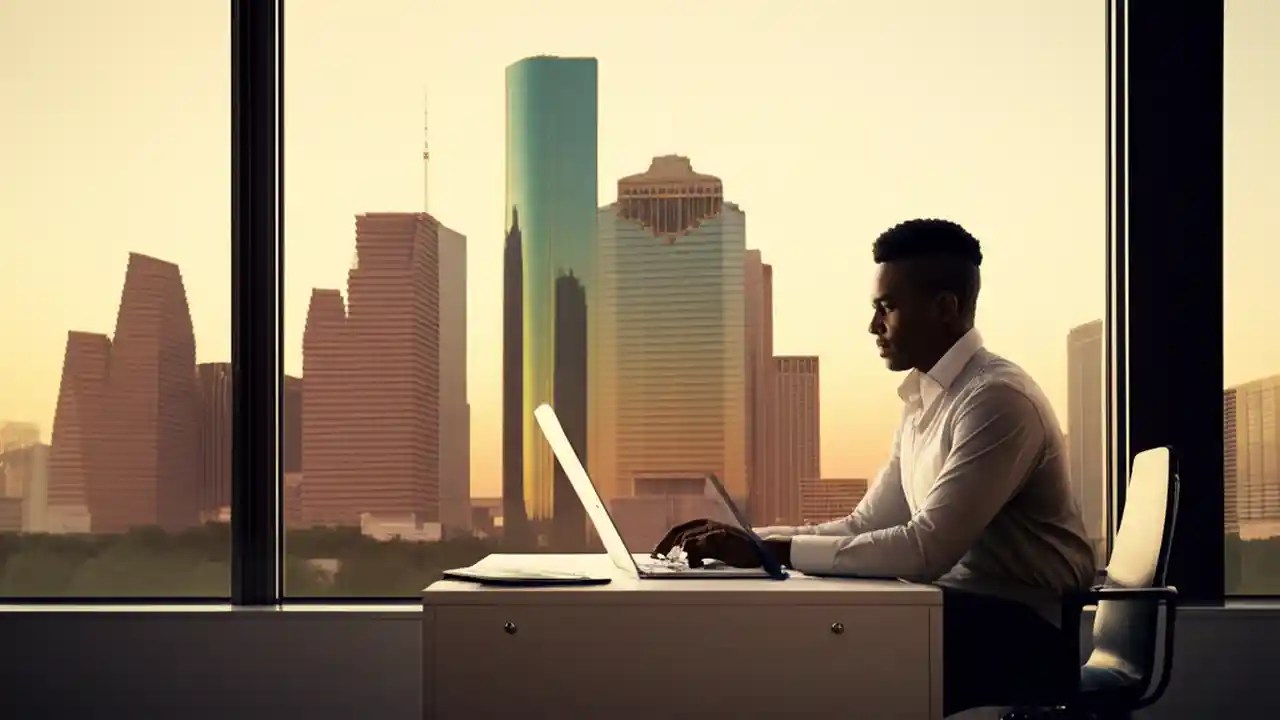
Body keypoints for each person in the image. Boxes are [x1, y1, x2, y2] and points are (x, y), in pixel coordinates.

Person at [653, 218, 1098, 716]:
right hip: (959, 612)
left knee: (818, 649)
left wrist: (768, 551)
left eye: (886, 308)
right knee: (805, 637)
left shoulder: (996, 400)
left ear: (945, 308)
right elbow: (865, 526)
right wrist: (748, 539)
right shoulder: (924, 399)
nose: (873, 326)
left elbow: (924, 549)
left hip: (1024, 635)